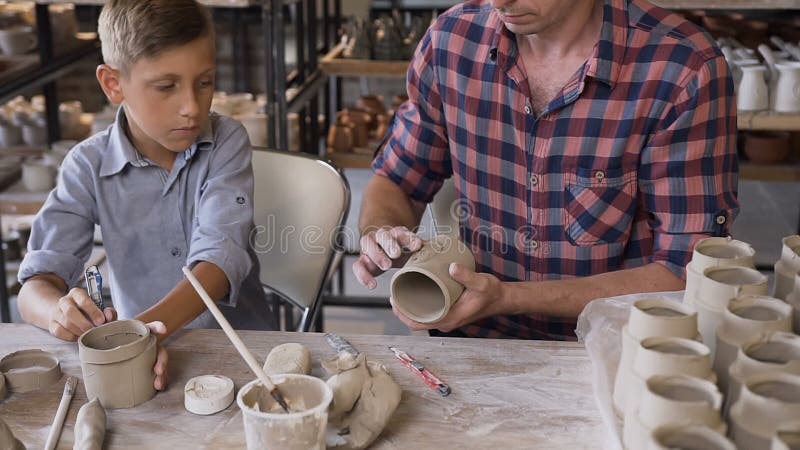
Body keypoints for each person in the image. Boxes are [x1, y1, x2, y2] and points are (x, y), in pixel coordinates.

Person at [353, 0, 739, 340]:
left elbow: (684, 271)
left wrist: (507, 298)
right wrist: (382, 232)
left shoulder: (682, 70)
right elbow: (398, 179)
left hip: (614, 345)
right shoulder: (451, 43)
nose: (499, 2)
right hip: (475, 337)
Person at [17, 0, 276, 390]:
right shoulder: (87, 165)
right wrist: (58, 310)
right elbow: (34, 286)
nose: (192, 107)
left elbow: (220, 261)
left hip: (242, 353)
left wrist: (142, 334)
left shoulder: (226, 141)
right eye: (166, 87)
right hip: (143, 359)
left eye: (204, 82)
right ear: (113, 84)